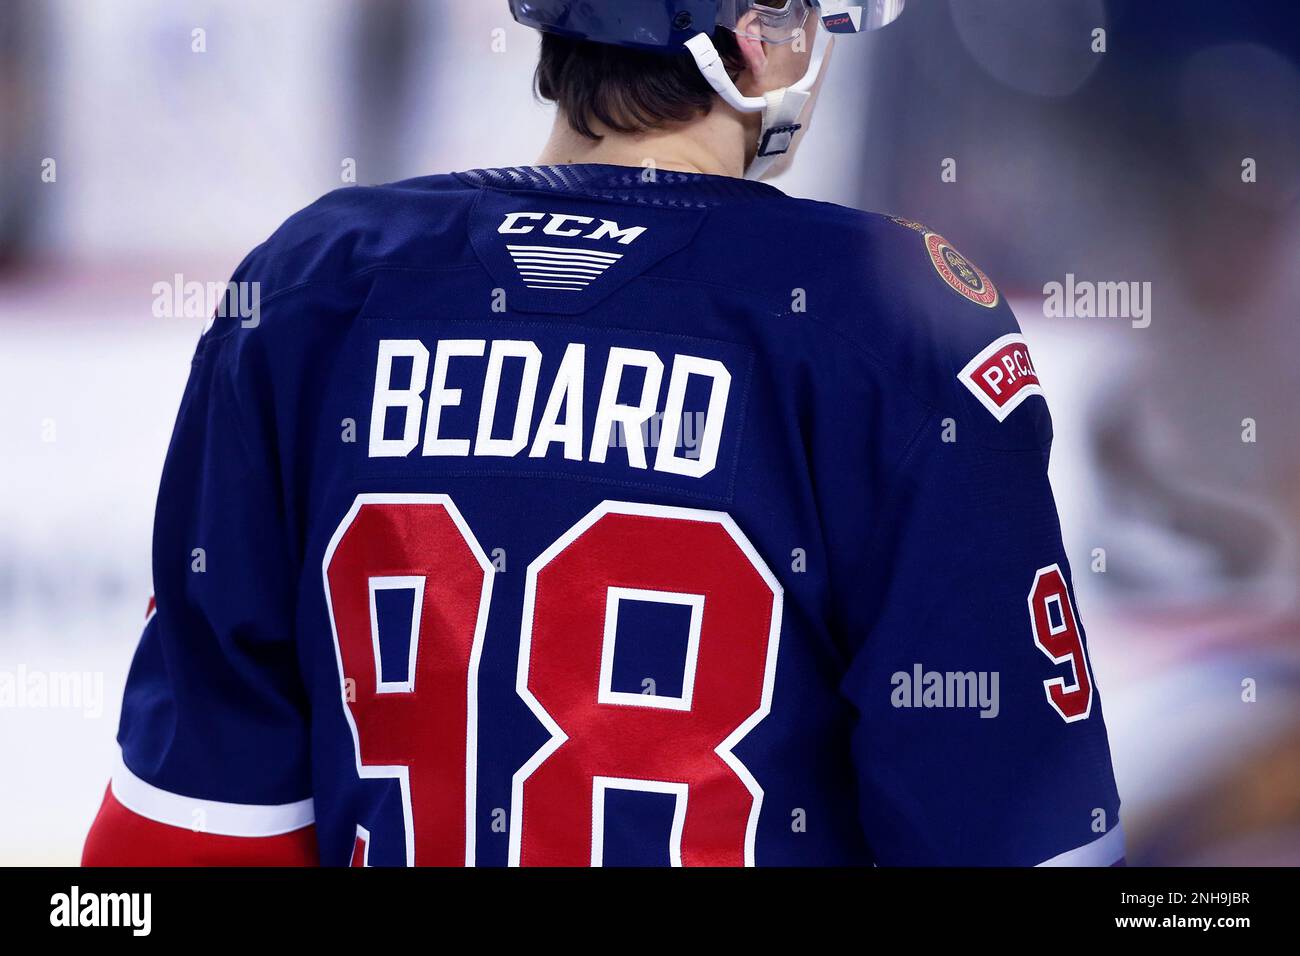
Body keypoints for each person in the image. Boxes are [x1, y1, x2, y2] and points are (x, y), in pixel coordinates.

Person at [83, 0, 1122, 866]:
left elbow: (186, 834)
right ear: (759, 36)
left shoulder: (317, 277)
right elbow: (1018, 834)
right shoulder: (890, 314)